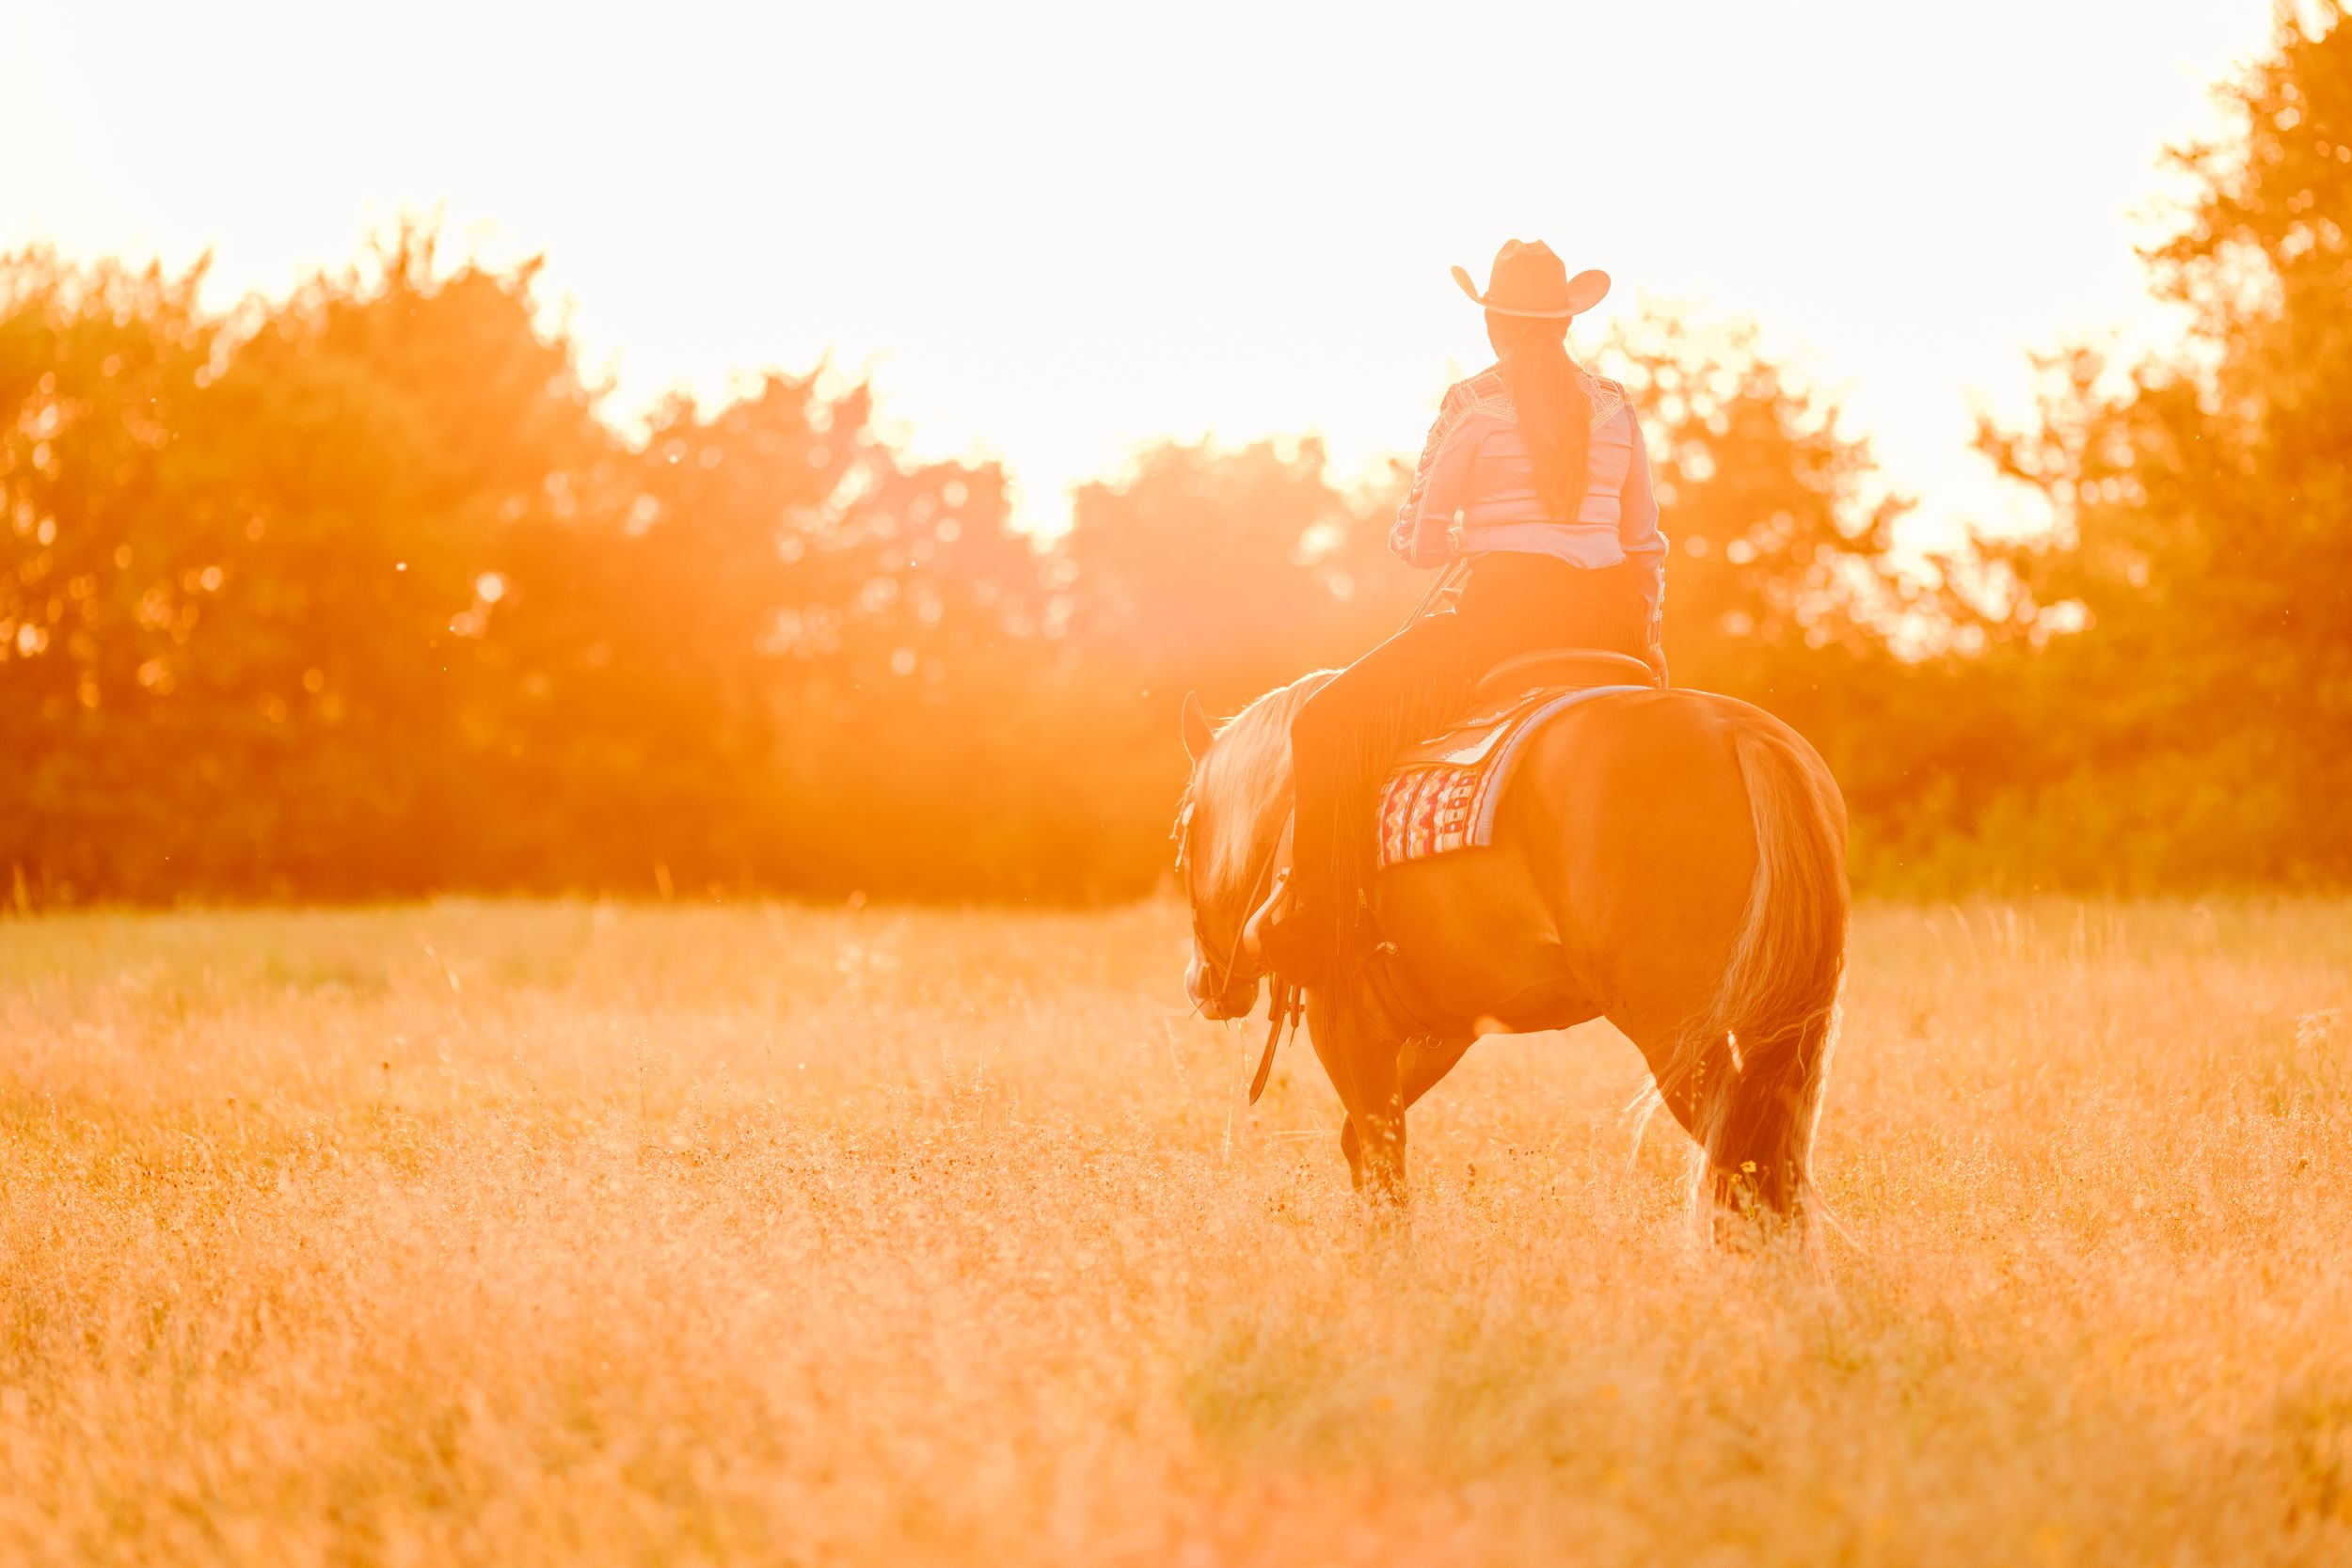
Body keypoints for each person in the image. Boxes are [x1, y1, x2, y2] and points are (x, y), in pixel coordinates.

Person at [1261, 238, 1667, 984]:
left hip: (1503, 624)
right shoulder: (1616, 408)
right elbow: (1644, 543)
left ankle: (1327, 926)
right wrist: (1648, 637)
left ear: (1493, 323)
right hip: (1612, 627)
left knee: (1324, 724)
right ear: (1565, 321)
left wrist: (1459, 538)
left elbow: (1417, 539)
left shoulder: (1472, 403)